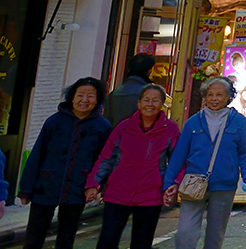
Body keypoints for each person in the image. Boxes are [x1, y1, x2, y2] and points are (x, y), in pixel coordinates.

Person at [18, 76, 112, 249]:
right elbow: (38, 154)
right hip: (46, 185)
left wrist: (98, 185)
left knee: (66, 238)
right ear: (72, 97)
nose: (84, 100)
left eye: (90, 96)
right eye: (80, 95)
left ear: (97, 99)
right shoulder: (54, 121)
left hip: (78, 188)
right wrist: (26, 189)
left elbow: (104, 160)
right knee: (34, 236)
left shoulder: (103, 127)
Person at [163, 77, 246, 249]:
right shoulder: (193, 122)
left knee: (215, 235)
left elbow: (245, 152)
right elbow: (179, 156)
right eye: (210, 95)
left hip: (224, 185)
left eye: (219, 95)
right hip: (193, 184)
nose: (214, 99)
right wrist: (169, 183)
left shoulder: (239, 122)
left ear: (229, 97)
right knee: (185, 233)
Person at [87, 83, 180, 249]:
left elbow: (177, 161)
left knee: (142, 243)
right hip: (117, 192)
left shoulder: (170, 129)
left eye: (155, 100)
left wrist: (172, 184)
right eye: (146, 100)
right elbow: (106, 157)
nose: (149, 104)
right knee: (107, 241)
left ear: (162, 104)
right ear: (138, 103)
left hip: (150, 195)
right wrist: (94, 183)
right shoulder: (124, 127)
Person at [105, 55, 157, 126]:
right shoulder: (150, 95)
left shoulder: (113, 94)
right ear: (149, 71)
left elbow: (107, 123)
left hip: (117, 136)